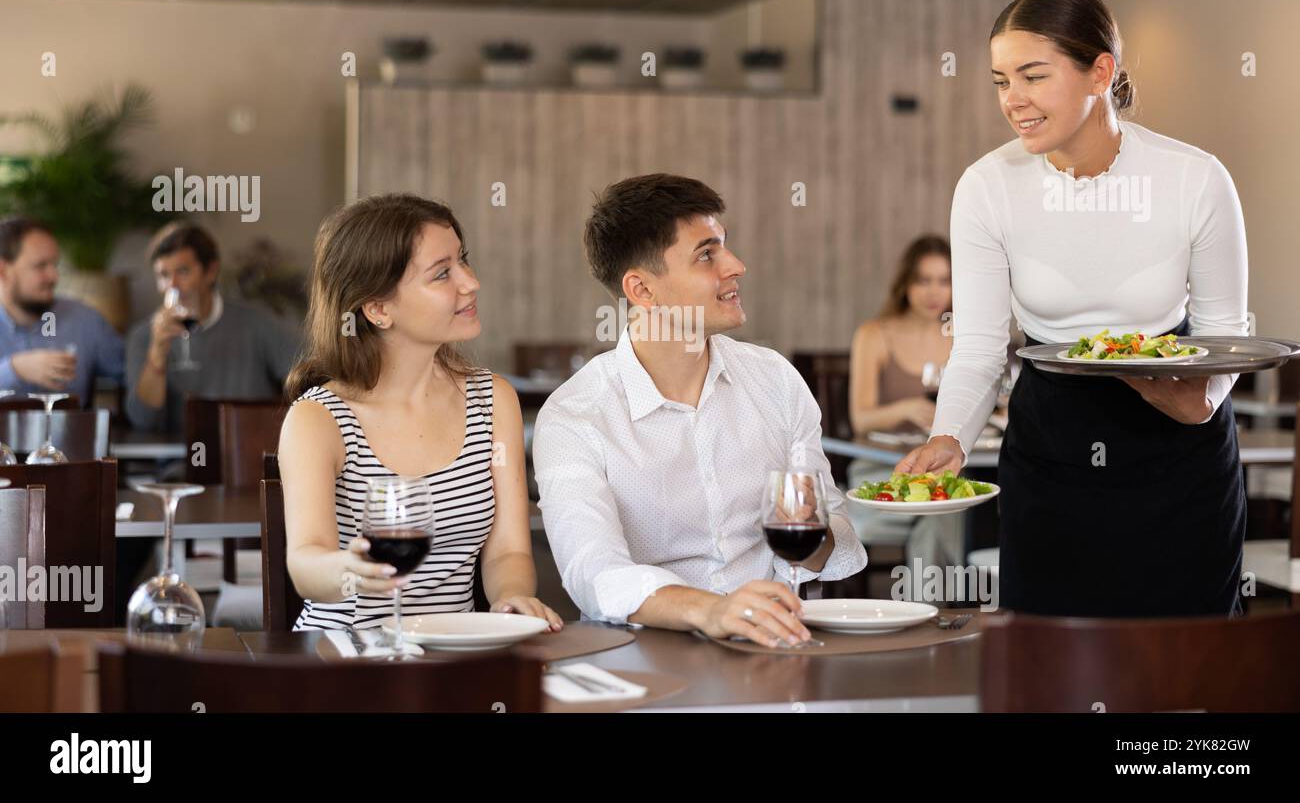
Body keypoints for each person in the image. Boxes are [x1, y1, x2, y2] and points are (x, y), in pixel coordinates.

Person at [896, 0, 1249, 617]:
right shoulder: (986, 187)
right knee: (1051, 663)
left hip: (1179, 447)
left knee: (1185, 668)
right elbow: (978, 344)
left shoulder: (1195, 178)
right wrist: (949, 436)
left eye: (1034, 76)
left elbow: (1225, 331)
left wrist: (1201, 403)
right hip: (1052, 449)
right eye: (1002, 81)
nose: (1014, 101)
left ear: (1101, 72)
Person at [534, 174, 867, 648]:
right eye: (707, 255)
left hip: (773, 646)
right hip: (641, 660)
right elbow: (593, 571)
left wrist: (817, 532)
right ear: (642, 291)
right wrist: (713, 610)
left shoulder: (774, 379)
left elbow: (828, 547)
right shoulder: (575, 416)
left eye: (726, 247)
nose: (737, 266)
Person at [278, 193, 562, 631]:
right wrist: (350, 568)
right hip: (347, 659)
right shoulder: (318, 419)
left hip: (455, 656)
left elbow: (508, 549)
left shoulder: (493, 399)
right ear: (378, 309)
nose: (470, 282)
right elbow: (305, 563)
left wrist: (511, 599)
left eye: (463, 261)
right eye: (442, 273)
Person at [847, 235, 963, 569]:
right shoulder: (875, 334)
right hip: (882, 468)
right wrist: (906, 409)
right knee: (946, 511)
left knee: (942, 509)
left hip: (940, 470)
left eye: (944, 281)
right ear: (905, 284)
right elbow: (861, 419)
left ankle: (928, 611)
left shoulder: (964, 336)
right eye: (923, 280)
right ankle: (950, 611)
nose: (934, 292)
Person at [125, 221, 299, 432]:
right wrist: (157, 355)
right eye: (163, 275)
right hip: (179, 463)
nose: (172, 286)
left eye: (183, 272)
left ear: (211, 271)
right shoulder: (144, 336)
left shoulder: (256, 323)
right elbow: (143, 420)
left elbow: (307, 376)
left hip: (245, 457)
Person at [0, 216, 124, 407]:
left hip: (70, 436)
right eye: (40, 266)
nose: (54, 276)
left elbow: (130, 374)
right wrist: (14, 369)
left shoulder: (84, 320)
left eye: (54, 265)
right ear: (3, 271)